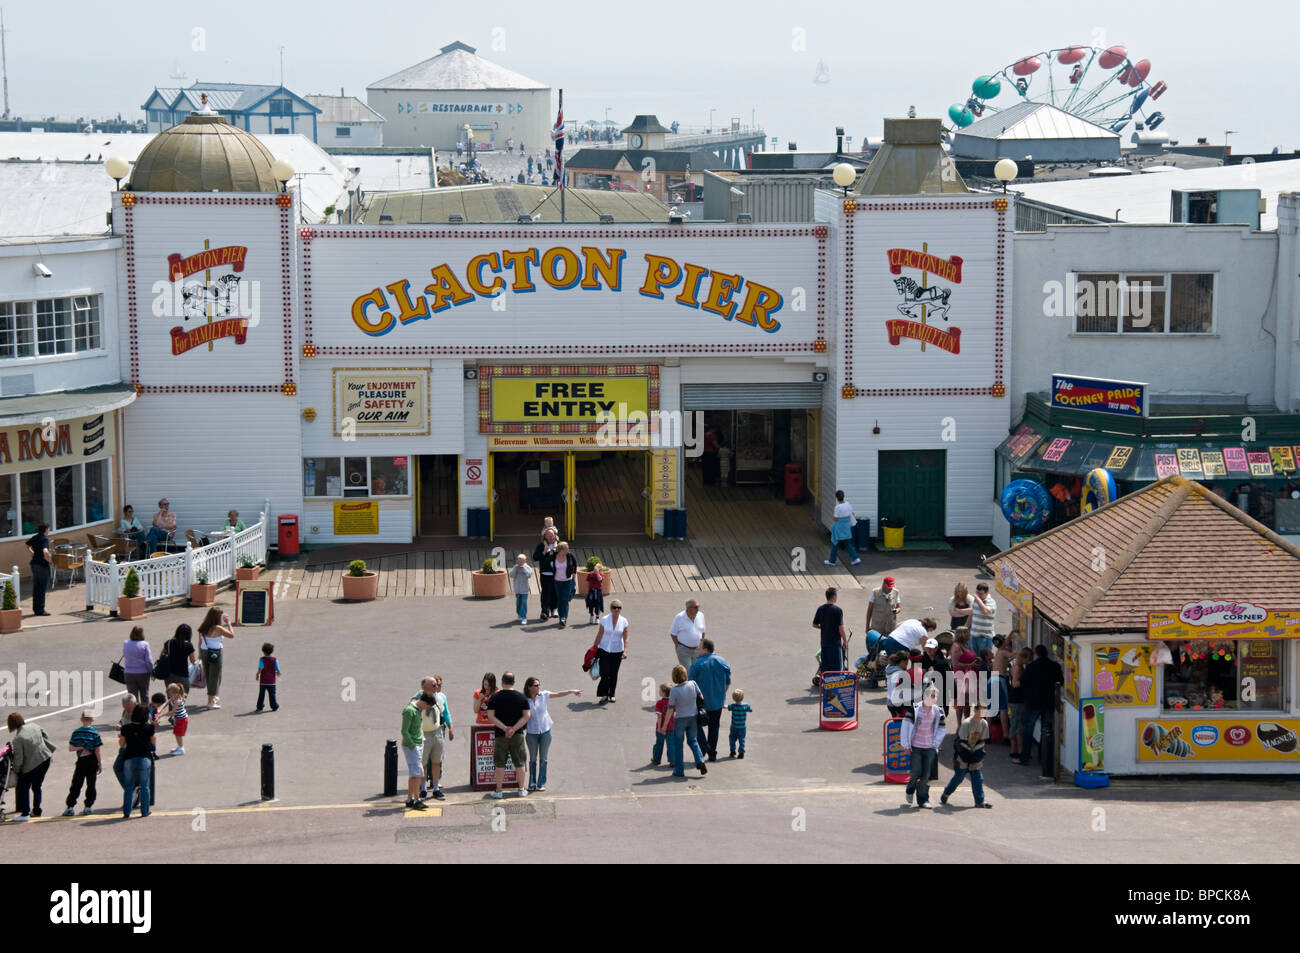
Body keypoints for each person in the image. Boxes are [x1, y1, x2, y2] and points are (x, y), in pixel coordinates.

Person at [523, 676, 582, 792]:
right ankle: (532, 783)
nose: (538, 687)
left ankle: (541, 784)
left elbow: (558, 694)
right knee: (533, 759)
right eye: (536, 685)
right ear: (529, 687)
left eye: (539, 684)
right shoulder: (524, 700)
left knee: (544, 759)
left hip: (545, 731)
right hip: (531, 733)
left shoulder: (543, 695)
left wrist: (571, 691)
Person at [1017, 644, 1064, 765]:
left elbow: (1023, 684)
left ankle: (1025, 757)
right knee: (1047, 730)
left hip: (1033, 702)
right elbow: (1061, 682)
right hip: (1048, 702)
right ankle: (1044, 758)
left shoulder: (1031, 667)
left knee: (1028, 730)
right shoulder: (1055, 666)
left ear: (1036, 654)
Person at [941, 703, 993, 808]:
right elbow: (961, 742)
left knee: (977, 778)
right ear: (975, 710)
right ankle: (946, 793)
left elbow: (982, 742)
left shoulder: (984, 724)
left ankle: (979, 801)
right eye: (981, 710)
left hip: (975, 755)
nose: (982, 713)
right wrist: (969, 753)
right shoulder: (967, 723)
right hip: (963, 754)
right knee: (959, 777)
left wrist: (976, 754)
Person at [487, 672, 530, 799]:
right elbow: (527, 716)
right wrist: (513, 729)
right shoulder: (521, 697)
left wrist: (505, 728)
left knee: (500, 763)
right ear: (514, 682)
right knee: (520, 762)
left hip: (501, 734)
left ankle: (499, 791)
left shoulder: (495, 697)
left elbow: (491, 716)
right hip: (517, 735)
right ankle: (521, 789)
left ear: (502, 682)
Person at [901, 687, 946, 809]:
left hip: (930, 747)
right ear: (925, 696)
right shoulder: (915, 709)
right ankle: (910, 788)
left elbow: (942, 728)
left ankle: (923, 799)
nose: (934, 698)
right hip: (916, 746)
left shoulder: (938, 711)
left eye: (935, 696)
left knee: (926, 775)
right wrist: (906, 744)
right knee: (916, 771)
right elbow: (905, 726)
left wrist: (935, 743)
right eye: (932, 696)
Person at [688, 639, 732, 761]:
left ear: (705, 649)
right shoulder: (723, 662)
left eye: (699, 648)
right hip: (717, 702)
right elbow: (727, 683)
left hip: (701, 703)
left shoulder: (697, 664)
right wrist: (720, 695)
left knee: (696, 724)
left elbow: (691, 684)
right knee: (714, 726)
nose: (697, 650)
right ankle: (712, 753)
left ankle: (703, 746)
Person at [7, 711, 55, 820]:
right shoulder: (34, 725)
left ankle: (25, 814)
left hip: (32, 764)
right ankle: (37, 810)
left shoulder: (18, 739)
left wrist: (16, 770)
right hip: (45, 758)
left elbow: (18, 760)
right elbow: (45, 735)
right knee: (37, 786)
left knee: (23, 786)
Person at [415, 676, 453, 801]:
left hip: (437, 732)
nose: (437, 687)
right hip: (424, 733)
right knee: (423, 763)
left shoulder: (440, 697)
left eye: (437, 685)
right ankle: (423, 789)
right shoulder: (417, 697)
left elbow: (444, 712)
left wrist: (449, 727)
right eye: (434, 685)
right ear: (425, 687)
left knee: (437, 761)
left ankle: (436, 788)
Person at [666, 664, 708, 777]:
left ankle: (679, 770)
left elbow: (670, 708)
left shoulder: (674, 690)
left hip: (680, 719)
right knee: (693, 741)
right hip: (693, 717)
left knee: (678, 745)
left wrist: (665, 724)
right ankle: (700, 761)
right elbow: (701, 696)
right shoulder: (693, 684)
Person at [118, 705, 154, 818]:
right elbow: (152, 743)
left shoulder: (126, 728)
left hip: (129, 759)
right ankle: (144, 811)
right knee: (145, 786)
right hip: (144, 758)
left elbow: (121, 744)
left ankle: (127, 812)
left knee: (129, 786)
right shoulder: (149, 728)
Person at [63, 712, 102, 815]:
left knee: (76, 784)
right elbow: (97, 750)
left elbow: (71, 748)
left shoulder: (76, 733)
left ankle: (70, 807)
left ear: (81, 719)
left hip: (81, 760)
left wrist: (81, 747)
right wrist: (99, 763)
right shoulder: (95, 733)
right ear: (92, 719)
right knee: (91, 784)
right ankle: (88, 806)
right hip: (92, 760)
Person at [197, 606, 234, 709]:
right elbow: (231, 635)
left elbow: (199, 642)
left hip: (204, 652)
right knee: (215, 676)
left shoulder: (203, 626)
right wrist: (229, 623)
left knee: (209, 676)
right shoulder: (218, 628)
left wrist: (200, 655)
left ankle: (213, 697)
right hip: (215, 653)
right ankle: (211, 701)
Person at [402, 692, 434, 810]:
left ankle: (409, 799)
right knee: (417, 774)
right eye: (428, 706)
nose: (428, 709)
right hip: (412, 746)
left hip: (418, 743)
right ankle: (417, 800)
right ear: (424, 702)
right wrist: (413, 745)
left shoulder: (418, 709)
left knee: (413, 774)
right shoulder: (409, 711)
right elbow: (404, 731)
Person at [592, 601, 629, 703]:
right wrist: (594, 647)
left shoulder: (624, 621)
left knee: (613, 673)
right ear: (611, 608)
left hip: (617, 650)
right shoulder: (605, 619)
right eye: (614, 607)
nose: (617, 609)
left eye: (619, 607)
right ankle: (604, 694)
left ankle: (612, 694)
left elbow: (626, 638)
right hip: (604, 649)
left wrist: (625, 651)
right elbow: (600, 634)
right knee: (605, 673)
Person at [812, 587, 848, 677]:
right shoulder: (838, 610)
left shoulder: (820, 609)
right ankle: (835, 688)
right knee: (837, 668)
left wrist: (824, 627)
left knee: (826, 668)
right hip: (835, 643)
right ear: (834, 596)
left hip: (824, 643)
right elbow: (841, 628)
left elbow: (814, 624)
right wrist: (845, 640)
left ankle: (826, 687)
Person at [825, 490, 861, 566]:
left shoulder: (837, 507)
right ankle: (855, 558)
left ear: (837, 498)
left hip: (839, 527)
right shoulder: (848, 504)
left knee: (835, 543)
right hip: (847, 527)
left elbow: (835, 519)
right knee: (848, 543)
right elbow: (852, 513)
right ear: (843, 496)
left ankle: (832, 561)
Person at [669, 599, 706, 669]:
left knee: (696, 670)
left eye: (698, 607)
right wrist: (678, 646)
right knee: (687, 671)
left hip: (697, 649)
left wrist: (701, 644)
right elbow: (673, 633)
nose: (698, 609)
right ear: (689, 608)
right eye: (696, 607)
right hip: (684, 650)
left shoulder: (701, 615)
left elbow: (703, 631)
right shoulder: (679, 617)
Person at [950, 629, 978, 723]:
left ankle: (966, 722)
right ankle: (959, 726)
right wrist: (970, 665)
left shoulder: (966, 644)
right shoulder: (956, 647)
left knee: (967, 703)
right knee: (960, 703)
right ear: (963, 635)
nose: (970, 634)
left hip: (970, 678)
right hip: (961, 677)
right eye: (967, 633)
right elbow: (955, 664)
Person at [1009, 646, 1031, 760]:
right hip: (1017, 699)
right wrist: (1026, 682)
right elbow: (1015, 683)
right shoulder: (1018, 667)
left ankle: (1015, 749)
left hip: (1015, 699)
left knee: (1015, 723)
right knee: (1018, 725)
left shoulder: (1016, 665)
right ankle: (1017, 749)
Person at [25, 522, 52, 617]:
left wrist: (32, 553)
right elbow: (45, 551)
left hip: (34, 564)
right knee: (42, 588)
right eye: (48, 529)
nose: (49, 530)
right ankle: (40, 610)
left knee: (36, 587)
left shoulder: (35, 537)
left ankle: (36, 609)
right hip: (42, 566)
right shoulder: (44, 539)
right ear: (45, 529)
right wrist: (48, 560)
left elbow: (27, 545)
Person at [122, 625, 154, 703]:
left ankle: (134, 713)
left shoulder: (126, 643)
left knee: (132, 698)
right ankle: (144, 713)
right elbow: (149, 661)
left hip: (128, 673)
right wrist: (152, 672)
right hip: (142, 673)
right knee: (144, 695)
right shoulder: (145, 644)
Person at [162, 623, 196, 695]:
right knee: (182, 698)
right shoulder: (188, 645)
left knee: (171, 698)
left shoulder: (170, 642)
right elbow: (193, 661)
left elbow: (161, 655)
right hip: (182, 674)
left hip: (169, 674)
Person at [155, 683, 189, 755]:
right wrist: (159, 711)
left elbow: (172, 712)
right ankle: (179, 746)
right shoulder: (173, 698)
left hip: (182, 719)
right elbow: (165, 704)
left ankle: (181, 749)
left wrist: (161, 715)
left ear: (176, 693)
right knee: (176, 733)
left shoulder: (178, 701)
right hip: (178, 719)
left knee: (178, 734)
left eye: (170, 694)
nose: (169, 696)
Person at [533, 527, 558, 621]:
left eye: (553, 535)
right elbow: (535, 557)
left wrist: (555, 550)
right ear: (545, 536)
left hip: (556, 574)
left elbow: (565, 555)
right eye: (550, 536)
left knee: (555, 592)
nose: (552, 537)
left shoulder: (558, 545)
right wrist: (544, 551)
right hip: (545, 573)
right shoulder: (541, 545)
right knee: (545, 593)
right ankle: (544, 612)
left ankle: (554, 609)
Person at [921, 636, 950, 716]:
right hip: (929, 686)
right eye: (927, 647)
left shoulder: (942, 661)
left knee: (940, 707)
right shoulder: (924, 657)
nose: (929, 650)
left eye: (931, 648)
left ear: (936, 648)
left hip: (942, 685)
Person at [991, 635, 1013, 740]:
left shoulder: (998, 652)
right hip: (1000, 680)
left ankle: (987, 735)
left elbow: (1004, 643)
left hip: (992, 680)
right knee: (1003, 708)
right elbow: (1014, 654)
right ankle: (1005, 735)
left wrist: (1012, 633)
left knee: (991, 708)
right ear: (1003, 643)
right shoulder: (1003, 652)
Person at [552, 541, 578, 628]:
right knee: (559, 600)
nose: (568, 549)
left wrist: (574, 572)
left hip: (567, 580)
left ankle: (563, 617)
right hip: (557, 581)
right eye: (567, 548)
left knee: (565, 600)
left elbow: (575, 563)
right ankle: (561, 616)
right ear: (562, 550)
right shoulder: (553, 556)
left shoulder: (569, 556)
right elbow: (548, 564)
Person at [651, 683, 675, 766]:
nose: (659, 692)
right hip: (671, 726)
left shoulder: (659, 703)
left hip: (661, 727)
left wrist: (659, 727)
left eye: (660, 690)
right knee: (671, 744)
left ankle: (656, 759)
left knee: (659, 744)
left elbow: (659, 717)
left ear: (664, 693)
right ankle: (672, 760)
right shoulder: (673, 702)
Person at [969, 583, 996, 655]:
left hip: (985, 637)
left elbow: (985, 611)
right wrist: (965, 627)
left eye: (981, 594)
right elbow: (972, 614)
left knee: (984, 660)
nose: (978, 595)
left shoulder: (991, 602)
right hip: (973, 635)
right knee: (975, 659)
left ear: (987, 592)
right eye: (977, 593)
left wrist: (977, 599)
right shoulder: (975, 601)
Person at [508, 553, 534, 624]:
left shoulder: (527, 567)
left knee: (523, 603)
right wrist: (516, 569)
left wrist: (524, 569)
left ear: (524, 561)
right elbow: (511, 575)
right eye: (518, 560)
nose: (519, 562)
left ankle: (524, 617)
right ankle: (519, 613)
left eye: (521, 561)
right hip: (517, 589)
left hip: (524, 589)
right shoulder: (515, 567)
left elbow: (529, 574)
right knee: (518, 603)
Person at [255, 643, 281, 712]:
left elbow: (260, 668)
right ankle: (274, 706)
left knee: (261, 695)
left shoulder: (262, 659)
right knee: (272, 695)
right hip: (272, 682)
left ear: (263, 651)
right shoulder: (274, 659)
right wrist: (278, 673)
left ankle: (259, 707)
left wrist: (257, 674)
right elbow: (277, 669)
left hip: (263, 681)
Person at [727, 688, 752, 759]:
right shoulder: (745, 705)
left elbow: (727, 707)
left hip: (734, 726)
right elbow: (750, 709)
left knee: (732, 738)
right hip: (742, 726)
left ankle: (732, 751)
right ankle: (741, 752)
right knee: (742, 739)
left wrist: (722, 705)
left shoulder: (733, 706)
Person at [584, 560, 605, 624]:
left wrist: (597, 573)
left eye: (597, 568)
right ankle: (591, 615)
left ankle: (597, 617)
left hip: (598, 591)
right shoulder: (590, 574)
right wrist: (587, 591)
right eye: (595, 567)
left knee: (598, 604)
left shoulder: (601, 574)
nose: (595, 569)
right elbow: (588, 582)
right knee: (590, 603)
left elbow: (600, 579)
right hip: (591, 590)